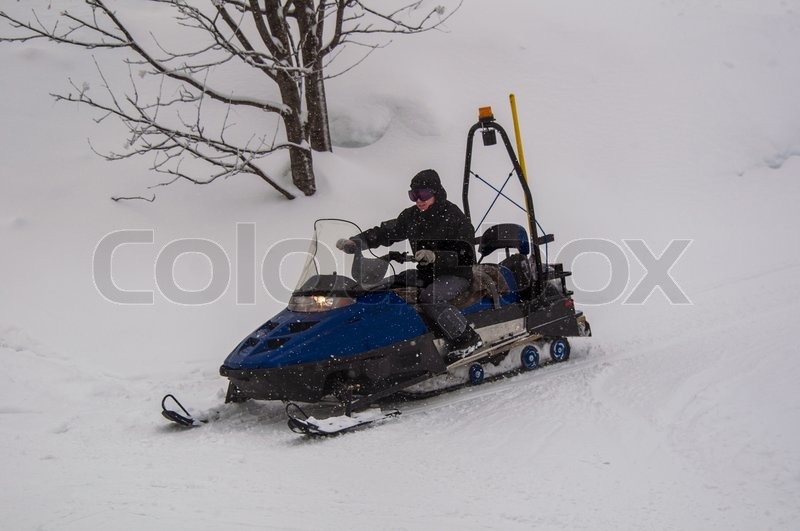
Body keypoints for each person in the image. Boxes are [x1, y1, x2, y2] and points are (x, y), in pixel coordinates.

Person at [336, 169, 483, 358]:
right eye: (414, 195)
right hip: (426, 273)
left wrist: (436, 256)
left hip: (456, 275)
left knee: (431, 297)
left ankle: (467, 338)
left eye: (423, 194)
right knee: (387, 285)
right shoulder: (412, 216)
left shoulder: (453, 216)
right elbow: (385, 232)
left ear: (436, 192)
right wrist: (356, 242)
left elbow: (467, 253)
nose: (418, 200)